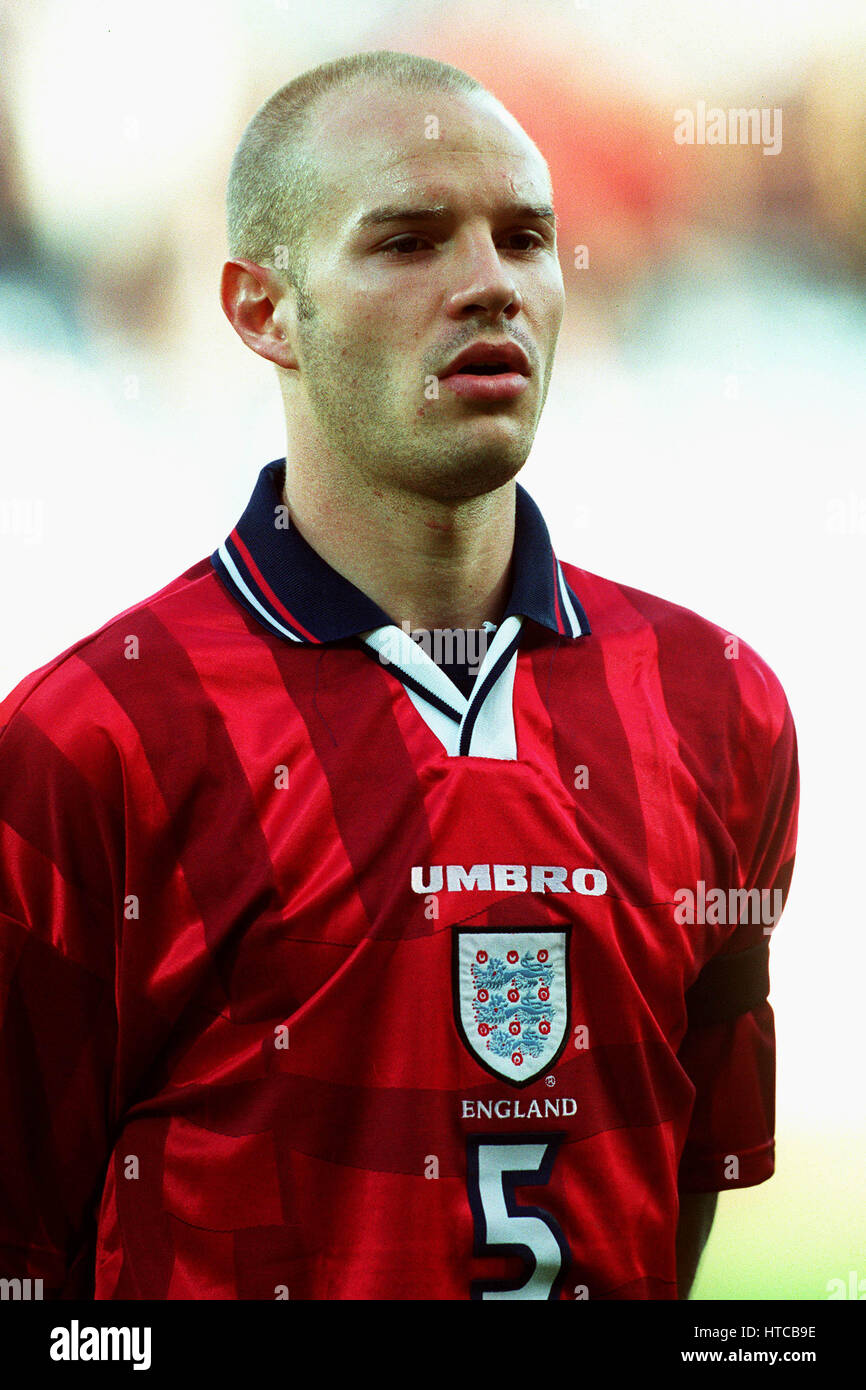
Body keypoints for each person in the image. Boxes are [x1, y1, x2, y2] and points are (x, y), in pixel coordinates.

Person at [0, 50, 798, 1301]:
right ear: (263, 311)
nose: (490, 285)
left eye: (525, 238)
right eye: (409, 241)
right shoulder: (90, 736)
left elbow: (682, 1175)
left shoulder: (718, 706)